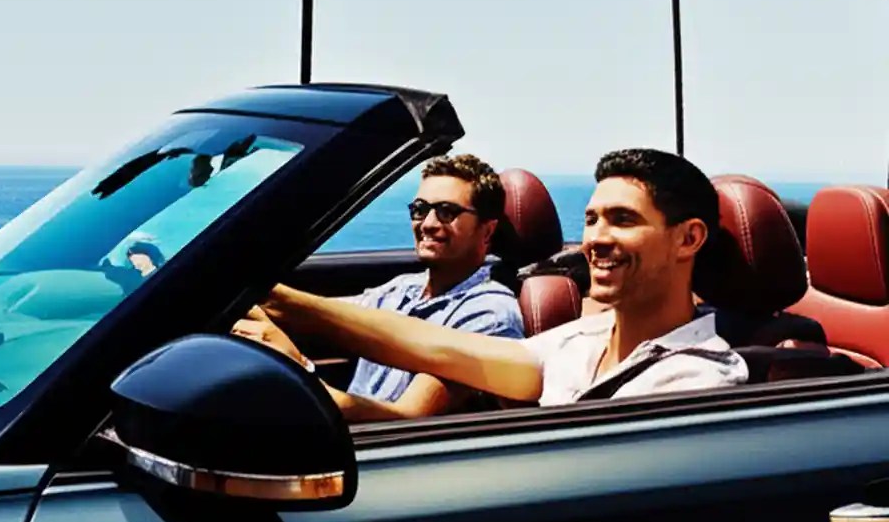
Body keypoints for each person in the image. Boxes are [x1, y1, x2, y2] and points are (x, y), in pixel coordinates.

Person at [253, 148, 748, 407]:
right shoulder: (579, 340)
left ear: (688, 239)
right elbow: (443, 349)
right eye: (591, 219)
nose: (595, 239)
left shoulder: (699, 377)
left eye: (622, 220)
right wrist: (276, 299)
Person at [232, 154, 525, 422]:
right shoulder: (403, 290)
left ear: (486, 231)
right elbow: (321, 316)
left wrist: (297, 367)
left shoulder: (487, 315)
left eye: (447, 212)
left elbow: (405, 420)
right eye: (421, 210)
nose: (428, 224)